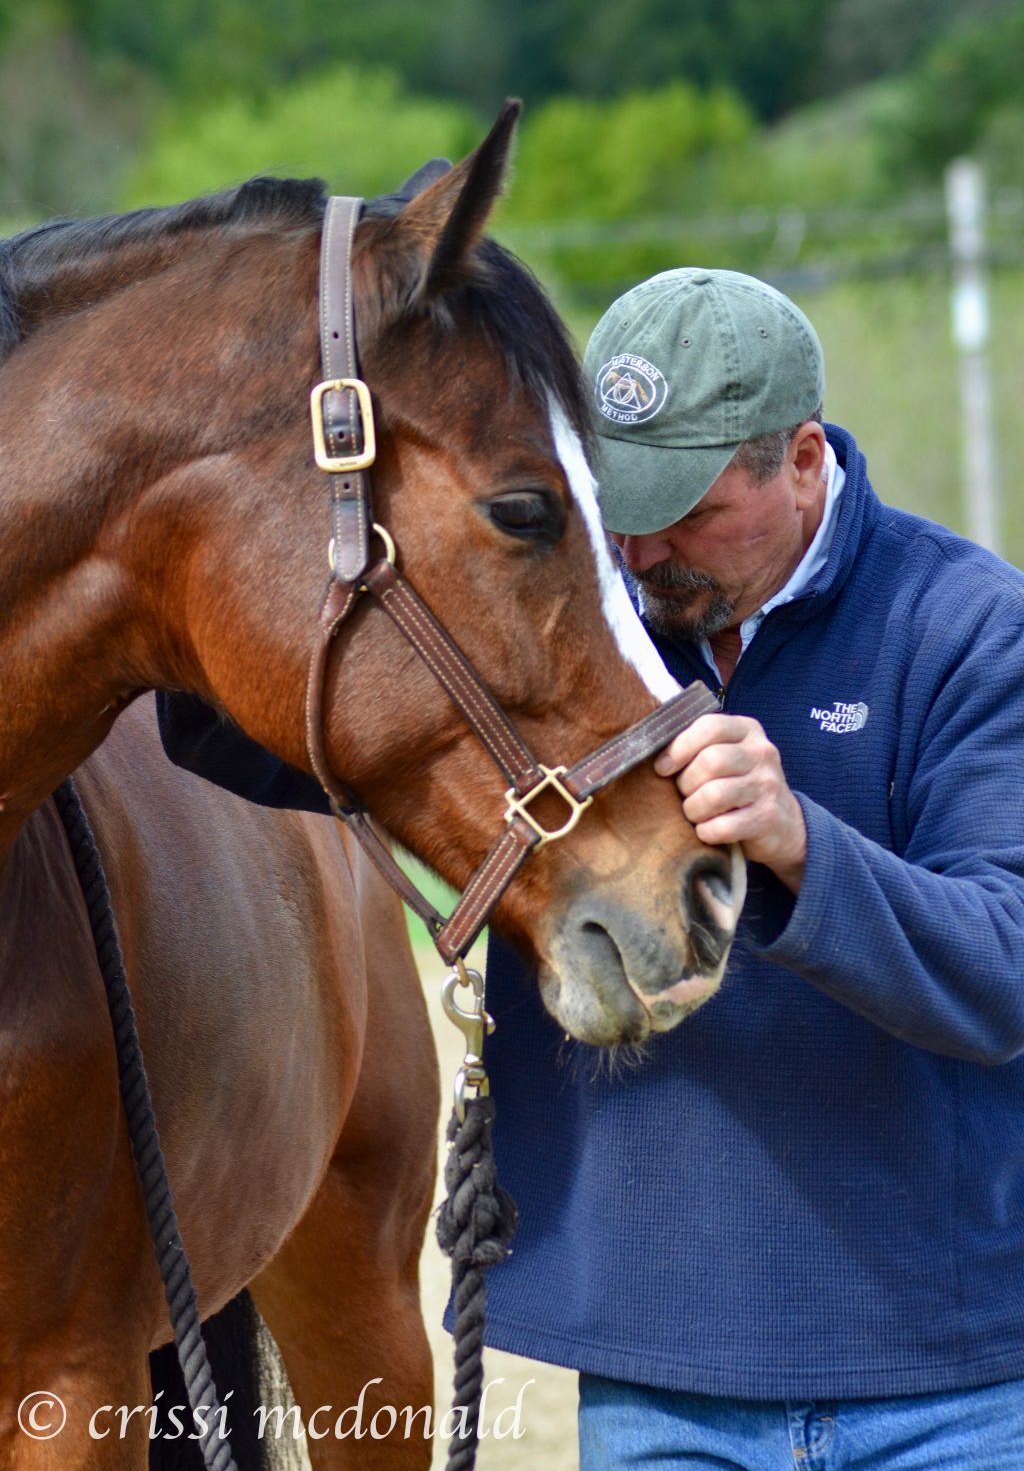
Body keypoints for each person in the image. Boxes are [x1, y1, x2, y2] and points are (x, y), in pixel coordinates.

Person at [159, 268, 1024, 1469]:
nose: (639, 547)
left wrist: (798, 842)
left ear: (803, 460)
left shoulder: (969, 625)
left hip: (949, 1393)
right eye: (620, 504)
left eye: (687, 510)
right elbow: (237, 739)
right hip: (656, 1388)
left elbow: (1005, 969)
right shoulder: (564, 612)